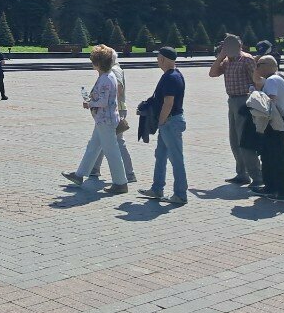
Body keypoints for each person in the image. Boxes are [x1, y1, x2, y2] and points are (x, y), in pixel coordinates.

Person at [61, 45, 127, 194]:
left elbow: (103, 102)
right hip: (104, 120)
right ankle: (79, 175)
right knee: (93, 147)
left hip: (106, 120)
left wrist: (90, 103)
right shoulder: (108, 76)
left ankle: (120, 183)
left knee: (112, 151)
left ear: (98, 63)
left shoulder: (105, 78)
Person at [208, 34, 263, 189]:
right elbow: (212, 73)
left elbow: (257, 81)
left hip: (245, 101)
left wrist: (256, 103)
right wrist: (220, 57)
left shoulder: (247, 59)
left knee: (245, 141)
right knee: (234, 139)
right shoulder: (226, 62)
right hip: (232, 101)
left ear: (240, 45)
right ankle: (242, 174)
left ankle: (257, 176)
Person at [138, 47, 188, 204]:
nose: (157, 60)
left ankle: (180, 194)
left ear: (164, 59)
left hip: (170, 122)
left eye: (158, 57)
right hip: (170, 121)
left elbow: (168, 102)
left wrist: (161, 121)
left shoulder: (170, 77)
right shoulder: (174, 74)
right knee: (160, 156)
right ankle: (157, 189)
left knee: (176, 158)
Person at [251, 55, 284, 202]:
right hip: (279, 122)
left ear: (267, 65)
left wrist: (254, 97)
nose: (256, 68)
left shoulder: (271, 80)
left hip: (275, 123)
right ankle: (270, 187)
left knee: (278, 157)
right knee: (268, 156)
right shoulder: (278, 77)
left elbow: (269, 102)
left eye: (258, 65)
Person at [89, 49, 136, 182]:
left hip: (113, 110)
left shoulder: (114, 70)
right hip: (111, 110)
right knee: (101, 139)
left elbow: (119, 88)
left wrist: (101, 99)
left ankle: (129, 174)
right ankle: (94, 168)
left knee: (117, 142)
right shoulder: (115, 68)